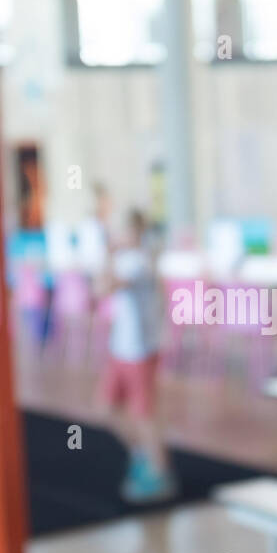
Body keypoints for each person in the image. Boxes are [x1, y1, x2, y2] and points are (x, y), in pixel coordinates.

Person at [99, 209, 176, 503]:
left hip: (140, 350)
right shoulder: (126, 260)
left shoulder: (139, 262)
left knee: (143, 414)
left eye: (122, 230)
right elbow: (100, 289)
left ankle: (159, 471)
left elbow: (106, 287)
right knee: (107, 408)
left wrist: (107, 254)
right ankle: (144, 454)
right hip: (121, 347)